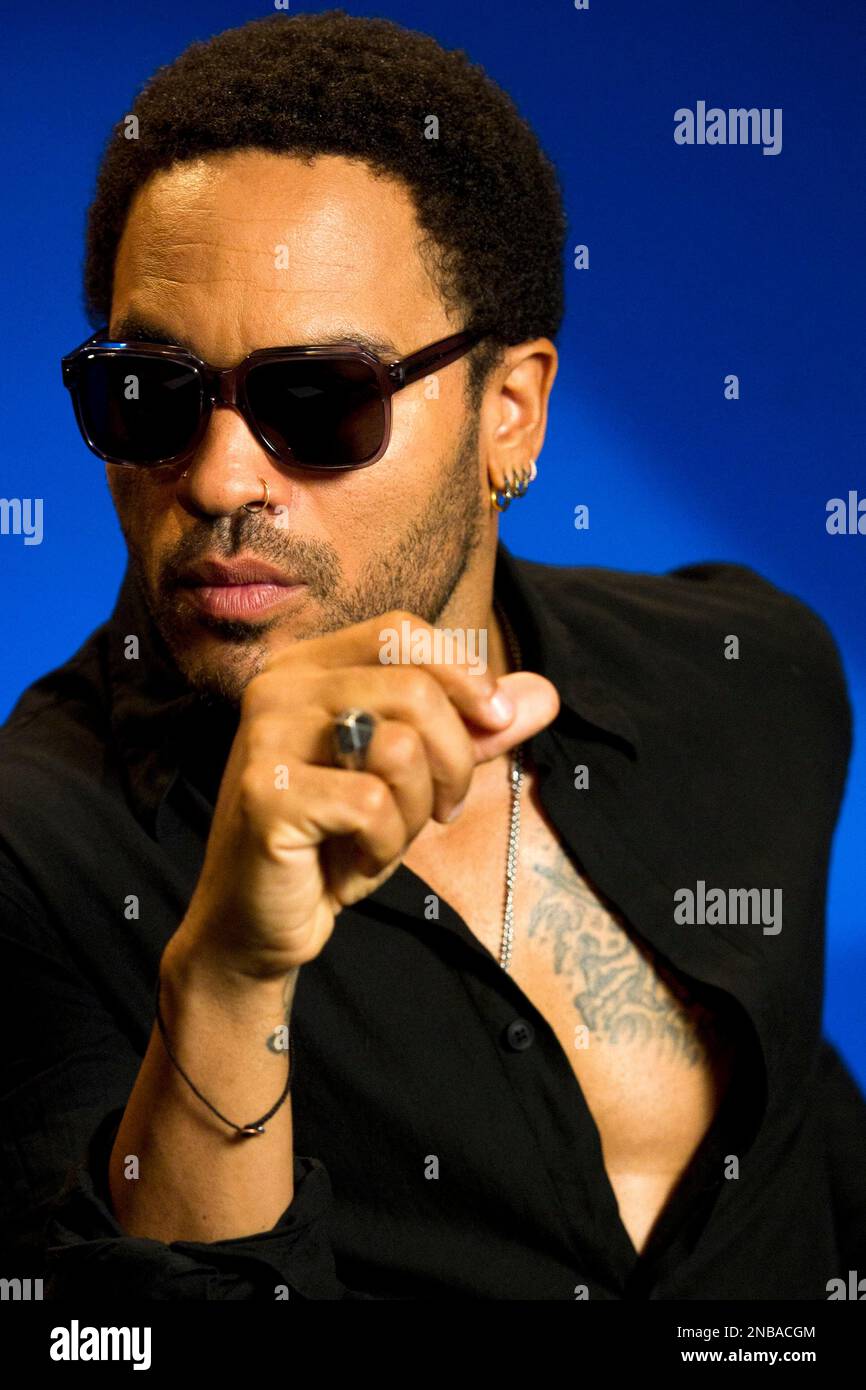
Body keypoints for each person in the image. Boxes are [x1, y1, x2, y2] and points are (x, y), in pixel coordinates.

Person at [1, 10, 864, 1301]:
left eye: (318, 399)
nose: (221, 476)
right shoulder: (35, 856)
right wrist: (231, 977)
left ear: (507, 413)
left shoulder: (747, 674)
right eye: (150, 397)